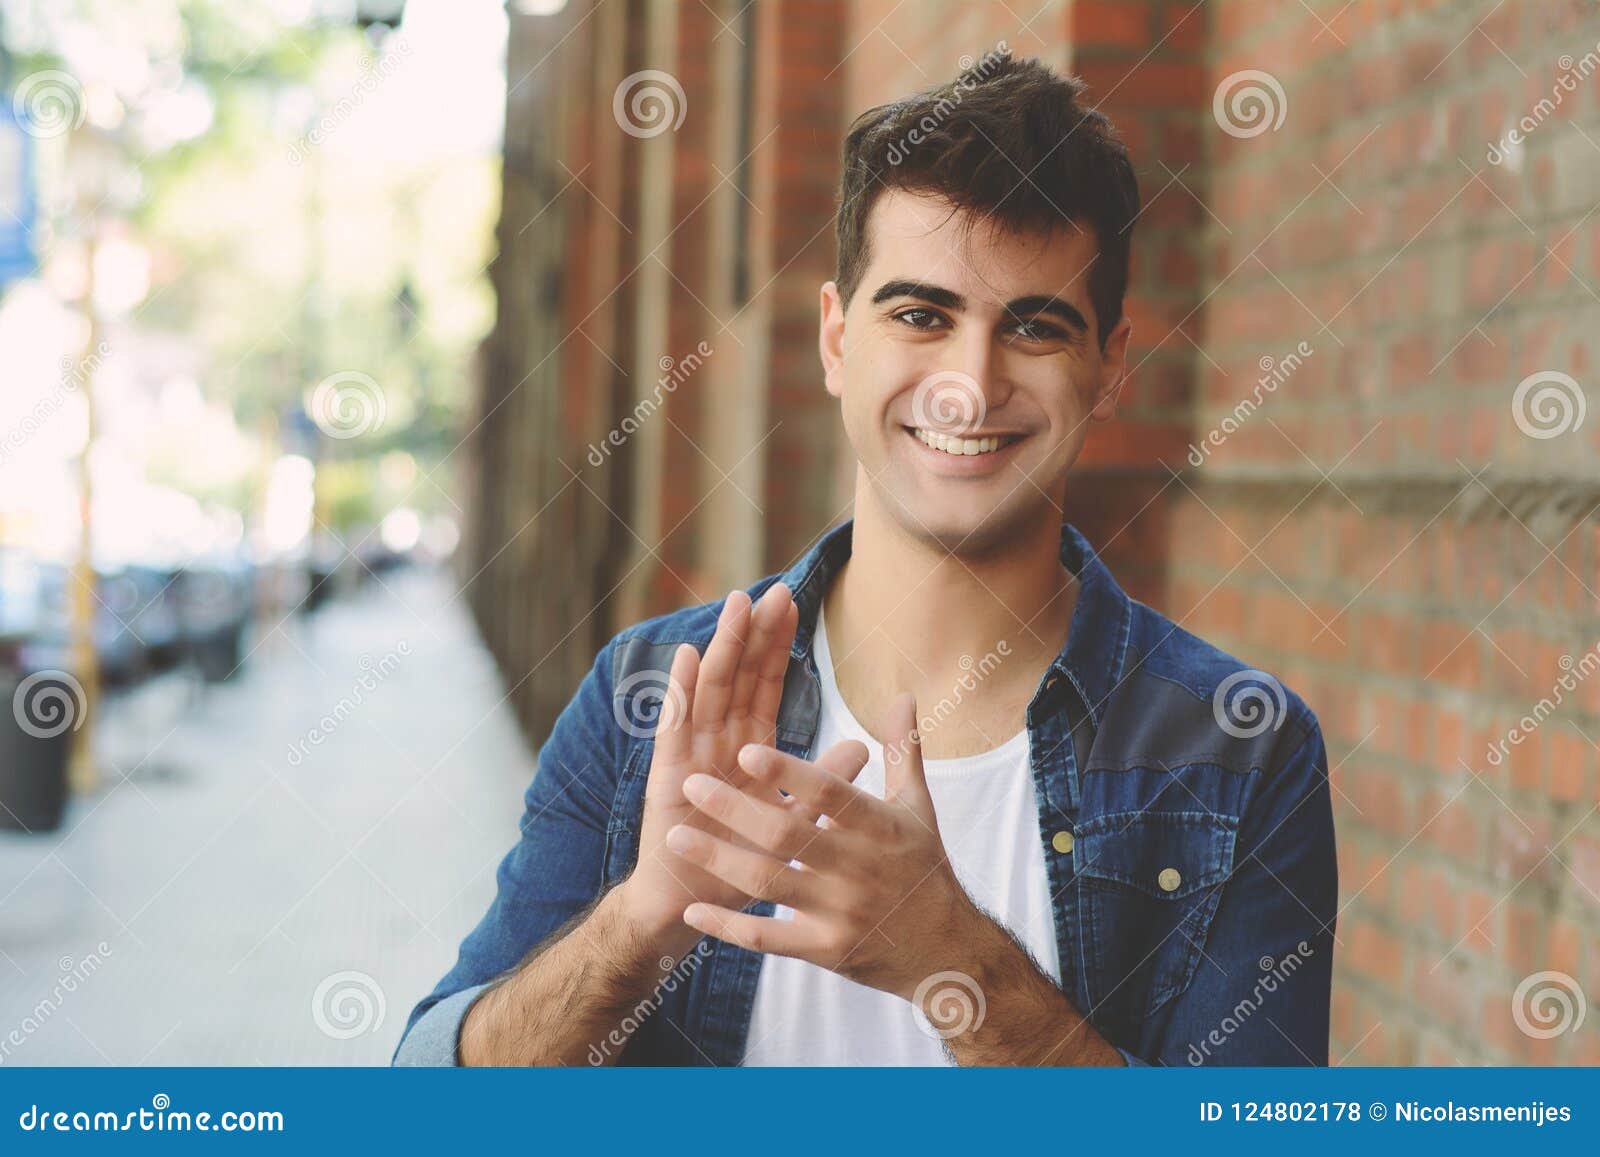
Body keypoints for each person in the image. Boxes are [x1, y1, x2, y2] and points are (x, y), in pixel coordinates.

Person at [395, 52, 1336, 1068]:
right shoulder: (647, 699)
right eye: (921, 315)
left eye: (1032, 326)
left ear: (1109, 365)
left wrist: (955, 966)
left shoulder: (1237, 751)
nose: (966, 389)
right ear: (837, 338)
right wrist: (644, 919)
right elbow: (424, 1089)